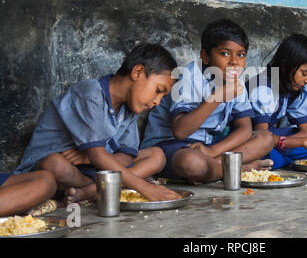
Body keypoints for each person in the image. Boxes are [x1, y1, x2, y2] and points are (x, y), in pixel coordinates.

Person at [13, 43, 182, 203]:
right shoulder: (90, 93)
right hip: (54, 170)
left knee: (156, 156)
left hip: (92, 171)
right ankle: (102, 188)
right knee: (54, 164)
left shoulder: (130, 109)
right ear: (137, 72)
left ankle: (90, 191)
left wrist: (89, 158)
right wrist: (146, 188)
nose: (157, 102)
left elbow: (126, 155)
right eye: (158, 91)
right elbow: (97, 155)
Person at [140, 19, 274, 183]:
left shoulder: (235, 82)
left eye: (241, 54)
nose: (234, 61)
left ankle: (213, 169)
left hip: (207, 147)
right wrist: (217, 97)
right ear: (205, 56)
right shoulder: (188, 77)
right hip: (171, 146)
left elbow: (244, 129)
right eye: (225, 53)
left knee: (265, 138)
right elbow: (180, 131)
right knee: (191, 162)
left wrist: (212, 151)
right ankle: (239, 168)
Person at [247, 34, 307, 170]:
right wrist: (304, 143)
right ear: (285, 66)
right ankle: (294, 158)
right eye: (305, 73)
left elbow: (305, 131)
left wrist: (303, 141)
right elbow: (262, 137)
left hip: (275, 138)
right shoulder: (262, 87)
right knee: (271, 157)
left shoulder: (296, 88)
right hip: (253, 139)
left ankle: (287, 157)